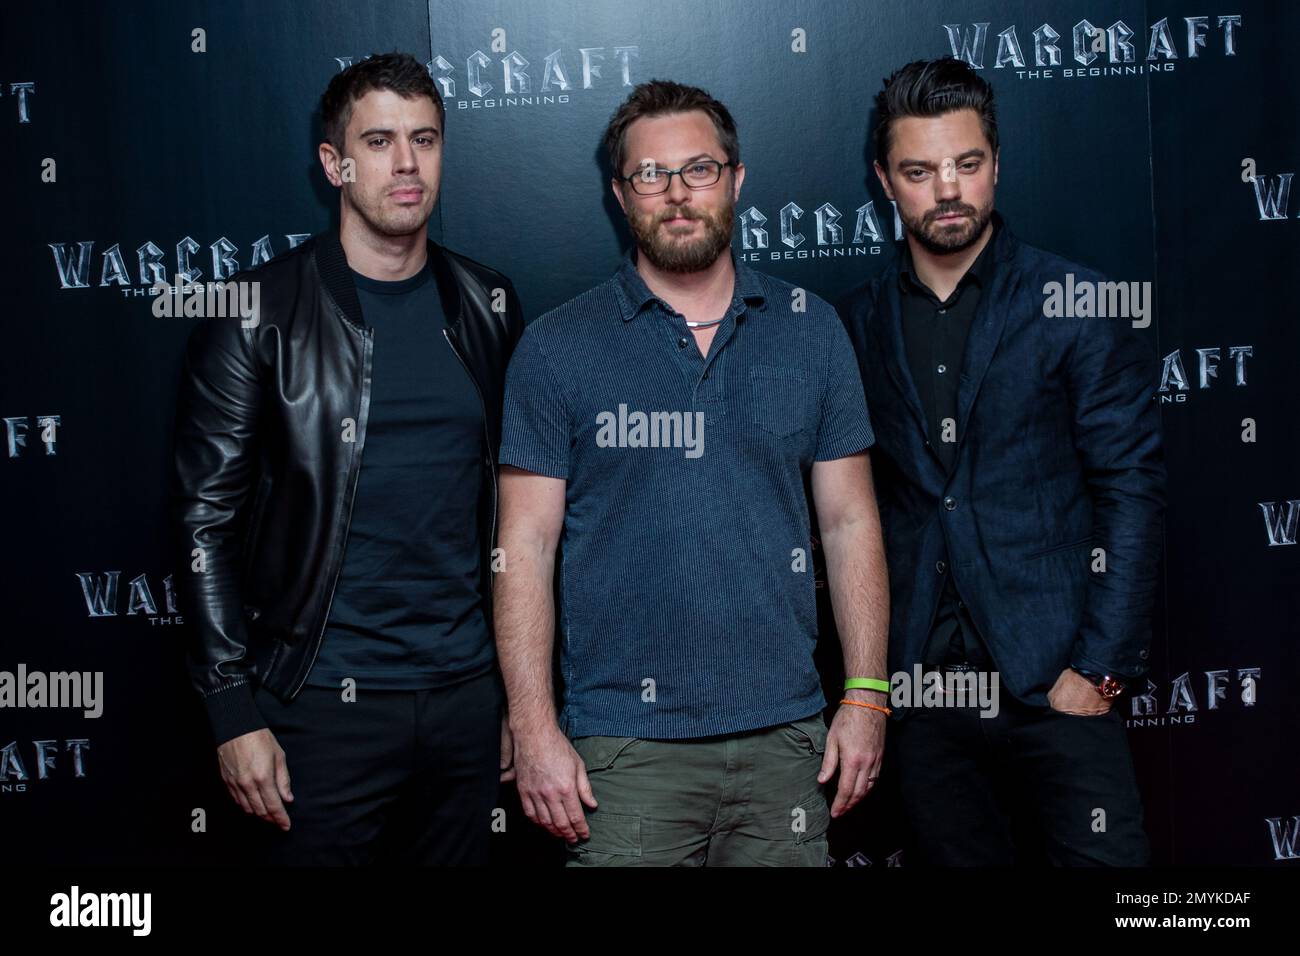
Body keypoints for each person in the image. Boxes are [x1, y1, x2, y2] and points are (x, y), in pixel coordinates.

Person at [494, 79, 890, 866]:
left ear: (737, 180)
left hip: (788, 745)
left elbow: (851, 525)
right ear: (620, 194)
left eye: (700, 169)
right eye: (651, 174)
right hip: (621, 760)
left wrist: (867, 697)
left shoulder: (813, 333)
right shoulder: (556, 347)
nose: (677, 194)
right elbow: (524, 548)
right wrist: (535, 726)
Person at [171, 52, 523, 864]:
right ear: (335, 163)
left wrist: (516, 697)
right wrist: (233, 710)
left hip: (465, 697)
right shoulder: (255, 315)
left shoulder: (488, 304)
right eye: (379, 140)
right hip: (318, 705)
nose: (407, 164)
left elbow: (514, 514)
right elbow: (204, 522)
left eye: (425, 140)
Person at [837, 57, 1165, 865]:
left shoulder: (1074, 305)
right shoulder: (850, 325)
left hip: (1055, 686)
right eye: (919, 170)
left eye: (967, 164)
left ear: (997, 165)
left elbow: (1132, 492)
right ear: (885, 179)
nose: (947, 189)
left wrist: (1099, 672)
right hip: (922, 697)